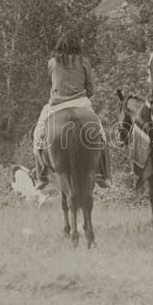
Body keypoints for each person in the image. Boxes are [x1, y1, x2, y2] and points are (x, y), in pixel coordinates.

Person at [32, 34, 110, 189]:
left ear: (60, 47)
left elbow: (54, 82)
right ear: (77, 47)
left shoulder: (52, 63)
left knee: (38, 134)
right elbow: (90, 88)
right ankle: (103, 174)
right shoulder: (84, 62)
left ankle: (41, 175)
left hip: (56, 106)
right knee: (102, 136)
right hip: (81, 104)